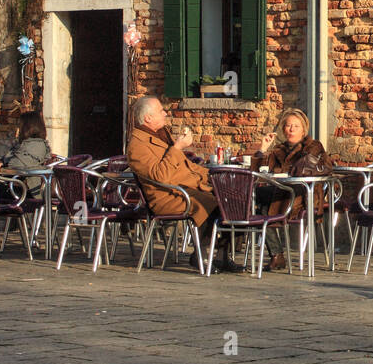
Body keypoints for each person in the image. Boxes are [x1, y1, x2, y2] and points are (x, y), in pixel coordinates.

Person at [125, 96, 240, 273]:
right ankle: (200, 255)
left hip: (185, 189)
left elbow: (187, 165)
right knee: (208, 203)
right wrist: (177, 147)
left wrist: (212, 175)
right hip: (166, 196)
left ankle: (222, 256)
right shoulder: (137, 146)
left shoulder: (161, 135)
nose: (165, 113)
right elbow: (160, 175)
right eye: (161, 111)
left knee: (232, 201)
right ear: (148, 118)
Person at [252, 108, 330, 271]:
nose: (292, 129)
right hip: (280, 191)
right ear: (283, 129)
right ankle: (275, 256)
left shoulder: (313, 146)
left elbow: (316, 168)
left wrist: (286, 173)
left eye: (296, 126)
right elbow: (259, 172)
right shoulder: (279, 150)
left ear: (303, 130)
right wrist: (263, 149)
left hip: (304, 194)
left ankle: (277, 256)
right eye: (288, 126)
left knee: (263, 207)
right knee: (250, 199)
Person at [0, 111, 50, 198]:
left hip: (25, 190)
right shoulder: (24, 143)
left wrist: (3, 165)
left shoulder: (36, 145)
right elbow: (7, 157)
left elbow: (15, 164)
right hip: (15, 185)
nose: (17, 129)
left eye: (19, 126)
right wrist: (0, 161)